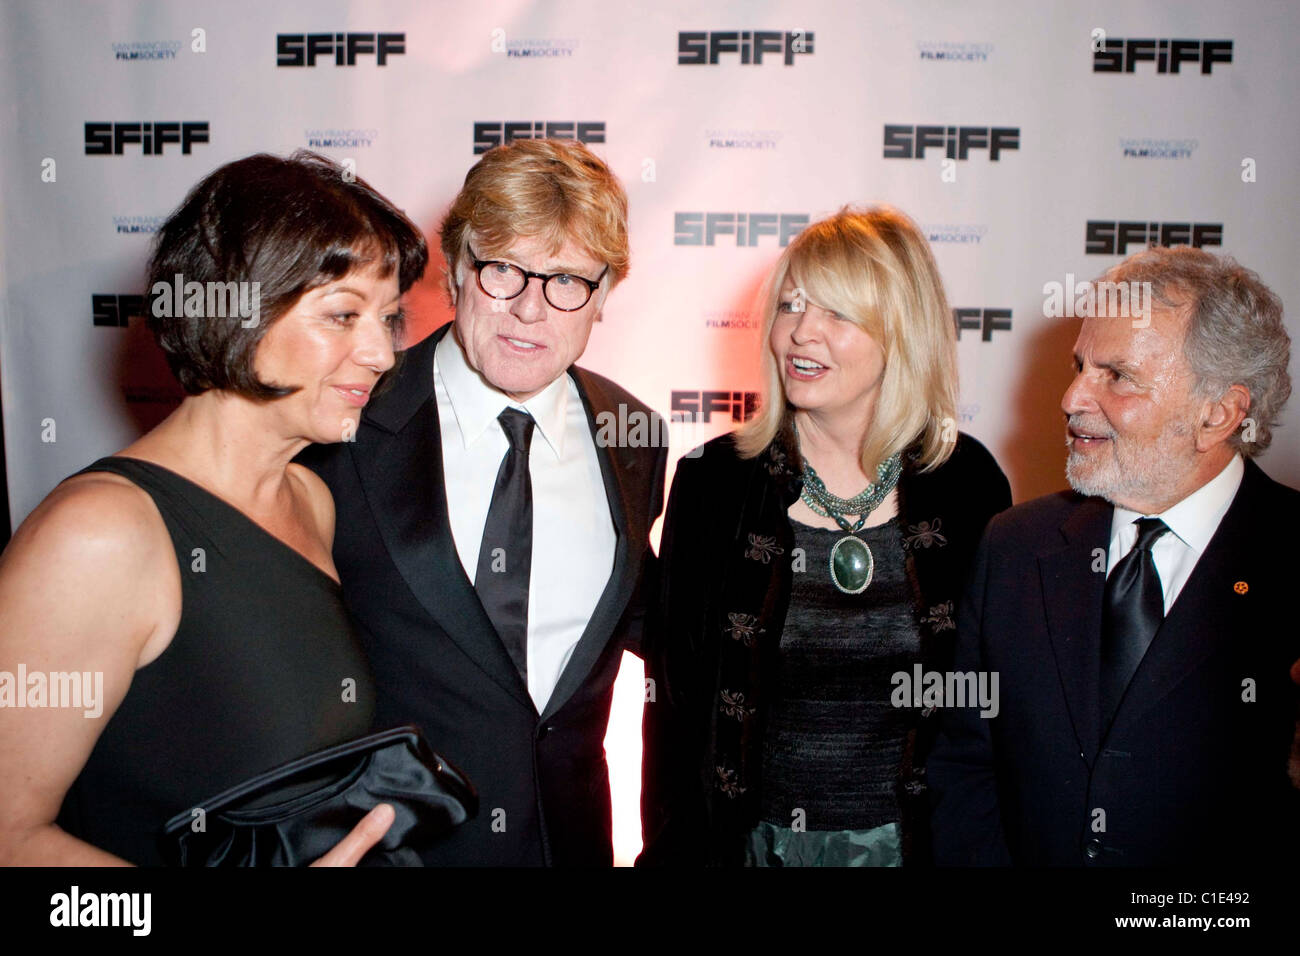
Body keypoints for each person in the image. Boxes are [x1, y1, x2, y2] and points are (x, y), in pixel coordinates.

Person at [0, 150, 428, 865]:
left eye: (387, 319)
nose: (381, 353)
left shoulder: (311, 499)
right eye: (343, 315)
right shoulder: (100, 534)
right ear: (238, 309)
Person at [299, 138, 666, 866]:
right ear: (458, 269)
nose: (531, 309)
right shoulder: (343, 427)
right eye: (503, 271)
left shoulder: (636, 438)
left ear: (604, 297)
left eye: (566, 281)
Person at [638, 206, 1011, 867]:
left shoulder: (967, 485)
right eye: (790, 306)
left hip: (920, 851)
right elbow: (675, 711)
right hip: (751, 853)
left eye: (837, 314)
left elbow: (987, 711)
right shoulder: (714, 484)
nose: (801, 333)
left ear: (901, 333)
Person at [928, 245, 1300, 866]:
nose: (1072, 397)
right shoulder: (1015, 546)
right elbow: (965, 765)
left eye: (1116, 375)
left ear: (1219, 413)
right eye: (1080, 366)